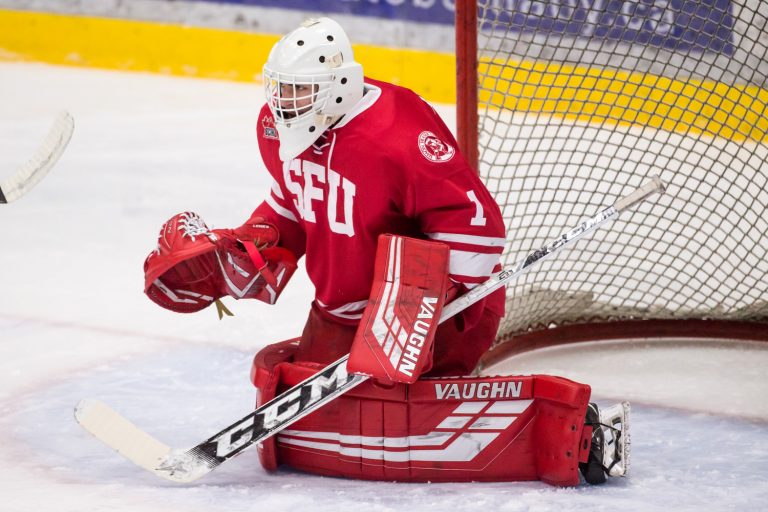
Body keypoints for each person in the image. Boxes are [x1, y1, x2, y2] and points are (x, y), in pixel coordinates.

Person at [142, 17, 629, 487]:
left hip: (439, 313)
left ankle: (570, 434)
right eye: (280, 89)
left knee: (403, 424)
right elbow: (291, 201)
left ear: (339, 86)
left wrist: (419, 310)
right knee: (322, 424)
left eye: (299, 91)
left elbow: (477, 229)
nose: (284, 103)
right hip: (339, 311)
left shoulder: (399, 134)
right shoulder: (275, 125)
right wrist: (256, 243)